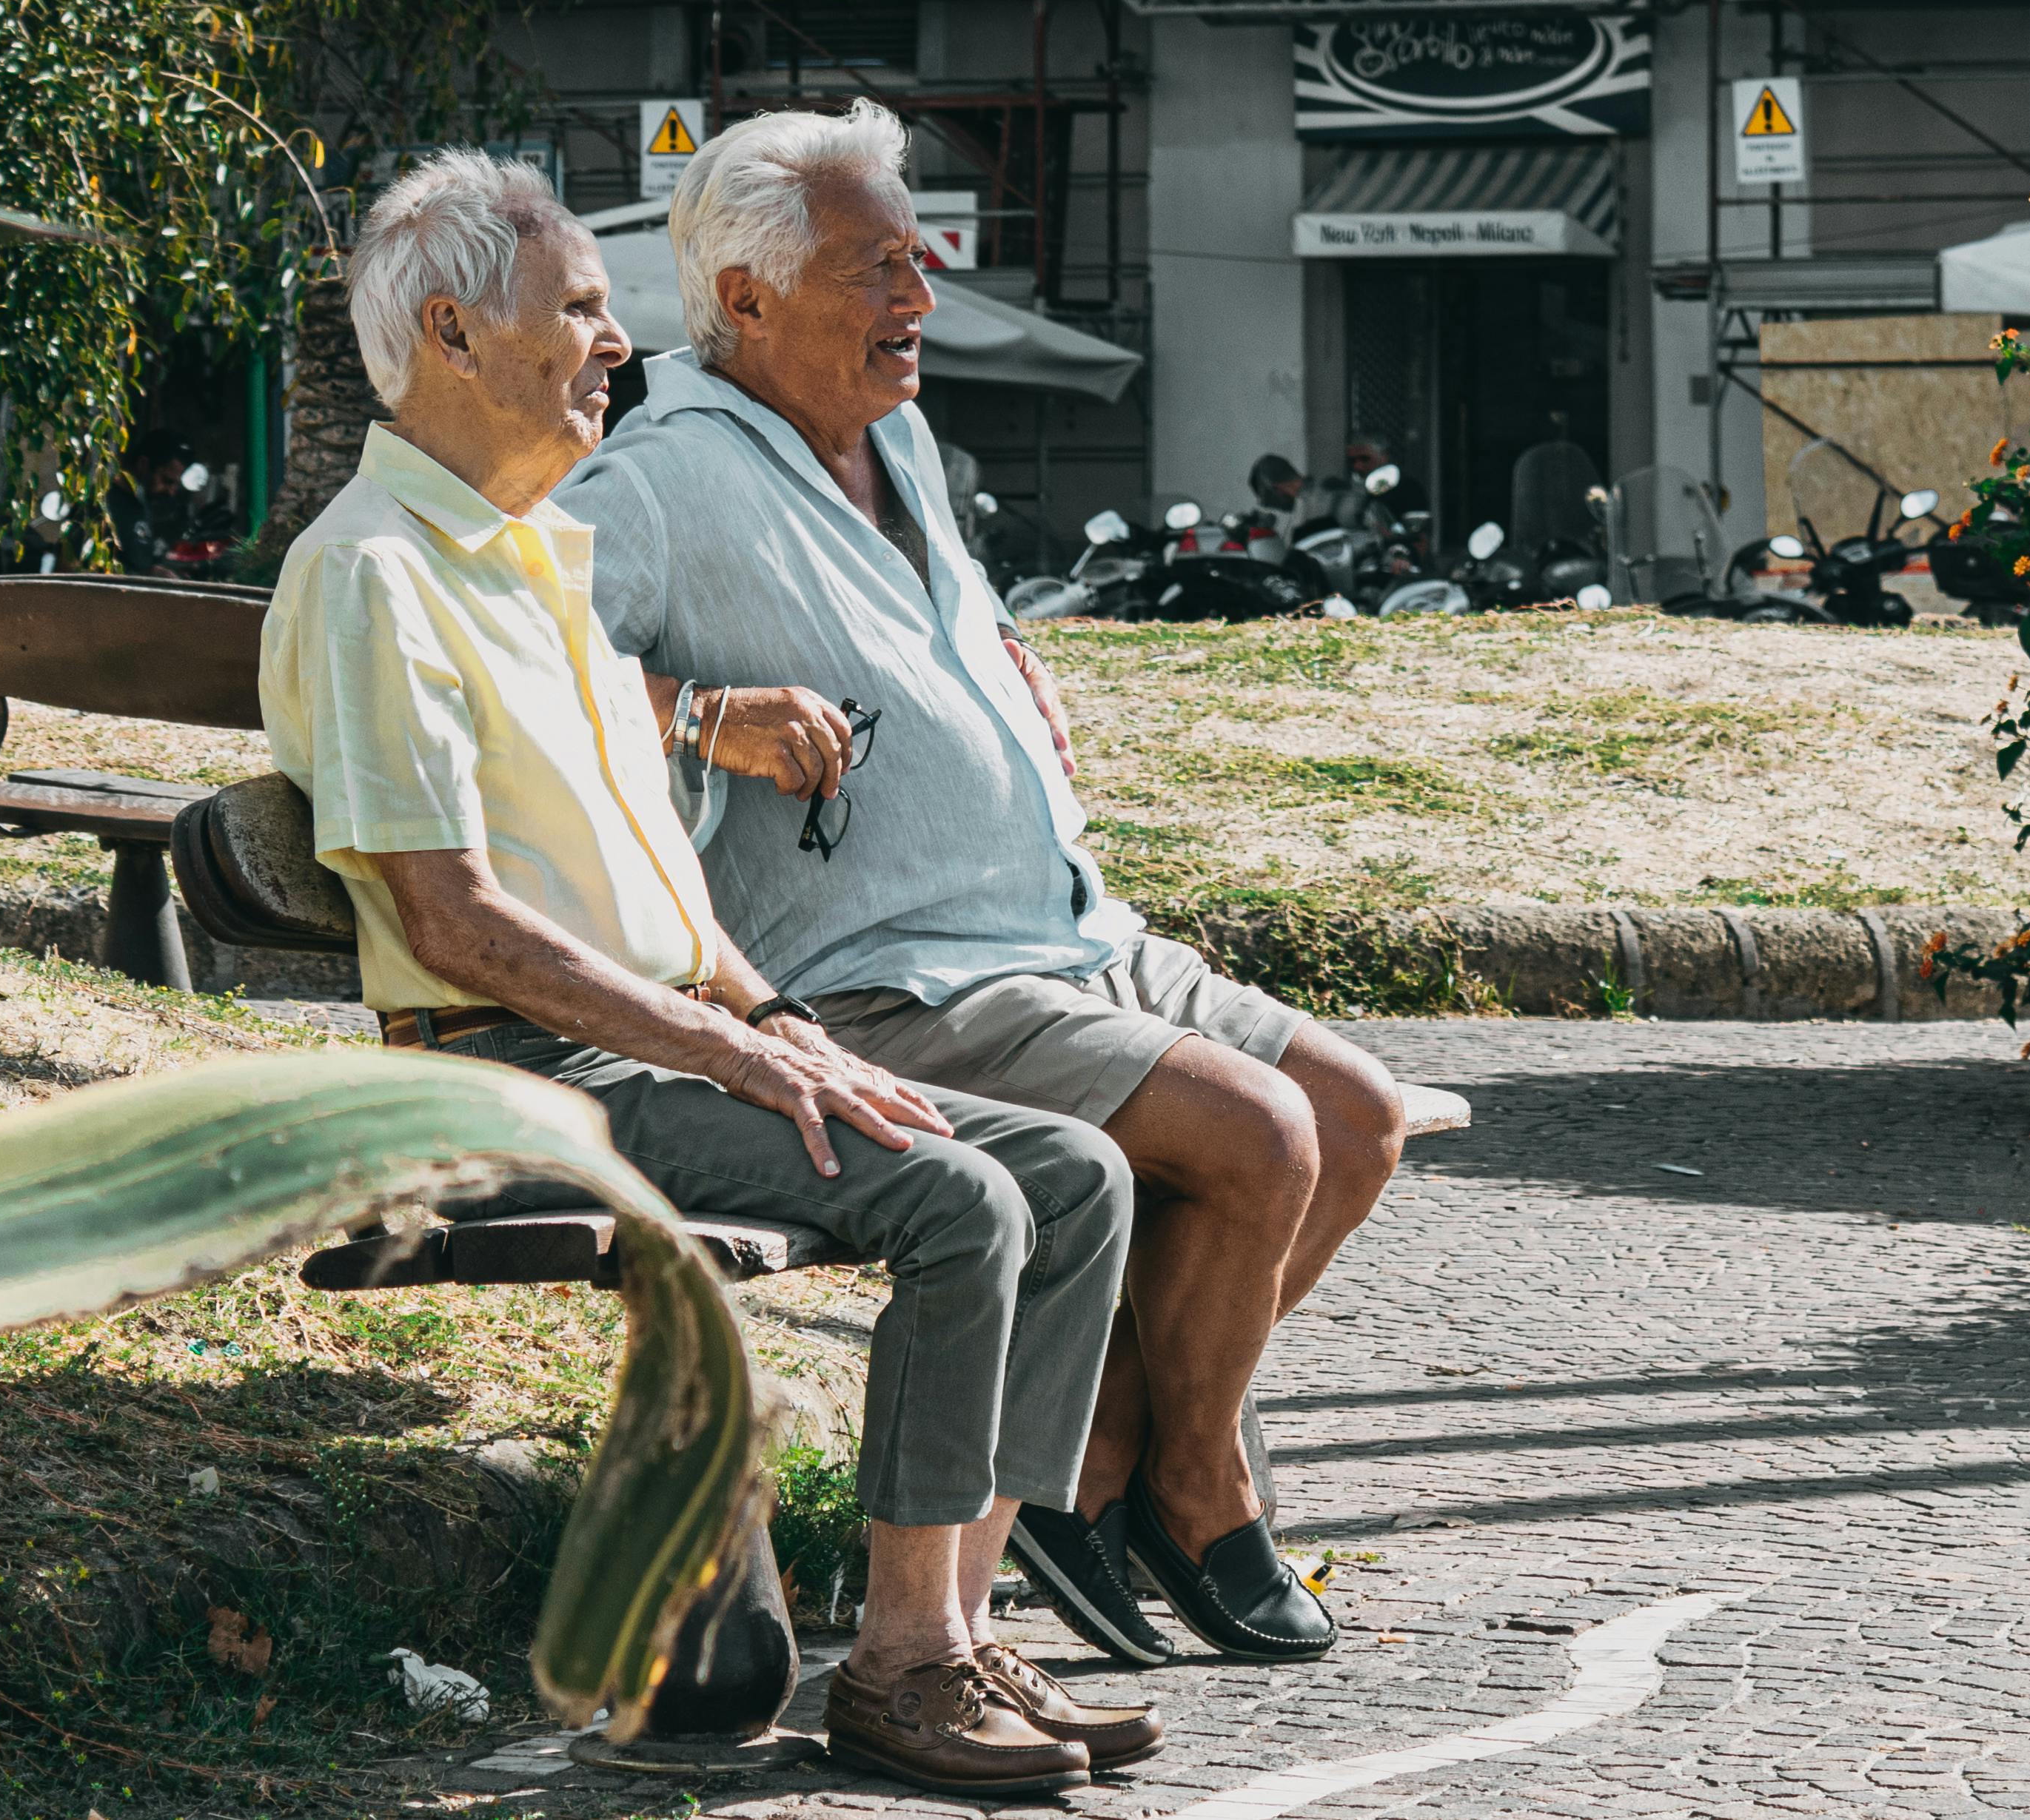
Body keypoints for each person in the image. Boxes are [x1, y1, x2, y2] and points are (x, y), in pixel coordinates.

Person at [258, 148, 1159, 1797]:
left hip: (647, 1047)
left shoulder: (535, 556)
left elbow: (652, 886)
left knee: (1074, 1171)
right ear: (455, 333)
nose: (621, 340)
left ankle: (953, 1624)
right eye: (583, 309)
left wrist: (771, 1019)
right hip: (515, 1072)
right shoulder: (376, 570)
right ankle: (896, 1668)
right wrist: (732, 1051)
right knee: (961, 1199)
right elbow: (454, 921)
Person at [555, 103, 1408, 1672]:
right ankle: (1188, 1483)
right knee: (1258, 1133)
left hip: (1070, 927)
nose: (919, 299)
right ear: (743, 298)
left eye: (920, 259)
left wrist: (995, 668)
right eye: (878, 266)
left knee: (1357, 1113)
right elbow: (518, 665)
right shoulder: (656, 475)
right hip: (897, 974)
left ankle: (1102, 1463)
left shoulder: (896, 441)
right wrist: (697, 715)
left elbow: (925, 621)